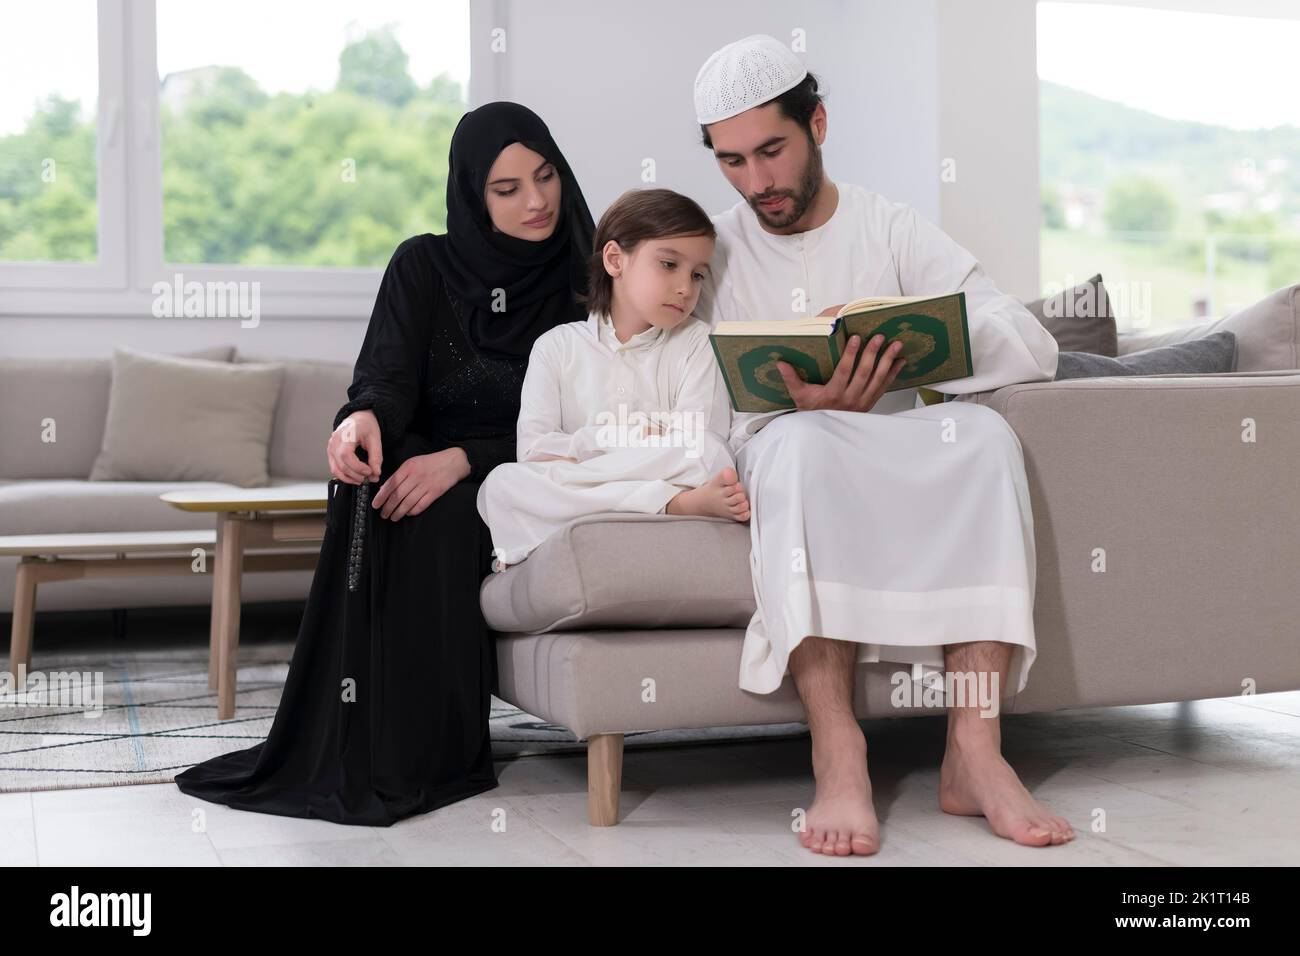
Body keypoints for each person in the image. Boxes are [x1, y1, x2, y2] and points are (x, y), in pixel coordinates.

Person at [691, 35, 1075, 855]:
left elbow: (1028, 341)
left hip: (901, 437)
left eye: (771, 151)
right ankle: (840, 755)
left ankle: (974, 750)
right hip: (790, 446)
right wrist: (801, 407)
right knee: (800, 448)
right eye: (732, 162)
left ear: (818, 124)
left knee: (983, 440)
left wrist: (903, 353)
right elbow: (684, 389)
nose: (757, 182)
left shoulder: (891, 226)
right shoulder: (710, 252)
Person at [173, 102, 596, 826]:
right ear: (471, 194)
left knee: (441, 508)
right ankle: (360, 735)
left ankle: (429, 750)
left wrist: (461, 461)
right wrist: (358, 421)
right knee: (374, 483)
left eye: (545, 175)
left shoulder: (590, 279)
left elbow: (582, 430)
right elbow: (387, 382)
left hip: (529, 471)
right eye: (506, 188)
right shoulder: (423, 264)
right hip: (424, 460)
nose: (535, 200)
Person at [477, 188, 748, 570]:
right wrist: (629, 435)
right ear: (615, 259)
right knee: (503, 483)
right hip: (627, 476)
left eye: (698, 274)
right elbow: (535, 451)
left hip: (599, 476)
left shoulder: (698, 342)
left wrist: (583, 451)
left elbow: (699, 437)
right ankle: (668, 504)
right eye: (669, 265)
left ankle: (600, 507)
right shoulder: (555, 347)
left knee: (710, 454)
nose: (686, 288)